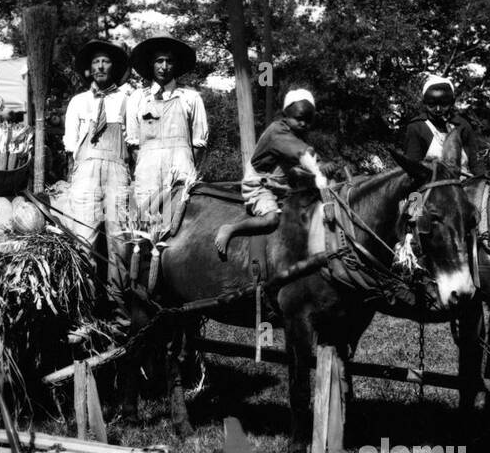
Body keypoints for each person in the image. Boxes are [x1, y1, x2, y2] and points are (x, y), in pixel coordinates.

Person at [213, 89, 331, 259]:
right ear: (286, 114)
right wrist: (319, 164)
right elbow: (301, 152)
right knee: (271, 219)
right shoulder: (277, 131)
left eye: (308, 120)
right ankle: (231, 228)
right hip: (259, 186)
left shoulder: (298, 134)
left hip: (282, 186)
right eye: (299, 119)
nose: (304, 124)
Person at [63, 39, 133, 283]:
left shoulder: (127, 101)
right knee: (84, 239)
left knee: (120, 242)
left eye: (106, 61)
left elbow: (133, 140)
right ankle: (88, 310)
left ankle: (120, 313)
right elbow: (71, 145)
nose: (101, 66)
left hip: (117, 172)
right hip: (86, 174)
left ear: (112, 67)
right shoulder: (78, 102)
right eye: (96, 62)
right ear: (90, 69)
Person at [125, 36, 208, 231]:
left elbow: (199, 144)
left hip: (180, 172)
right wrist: (148, 165)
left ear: (176, 65)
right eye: (159, 61)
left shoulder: (191, 98)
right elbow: (134, 144)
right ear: (151, 65)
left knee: (180, 229)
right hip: (148, 174)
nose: (164, 66)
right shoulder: (137, 98)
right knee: (145, 231)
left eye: (169, 61)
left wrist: (185, 169)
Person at [398, 74, 482, 174]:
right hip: (431, 185)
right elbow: (412, 168)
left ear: (452, 102)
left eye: (443, 104)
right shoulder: (417, 127)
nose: (438, 109)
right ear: (425, 103)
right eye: (432, 104)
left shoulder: (462, 126)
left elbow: (476, 164)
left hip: (465, 184)